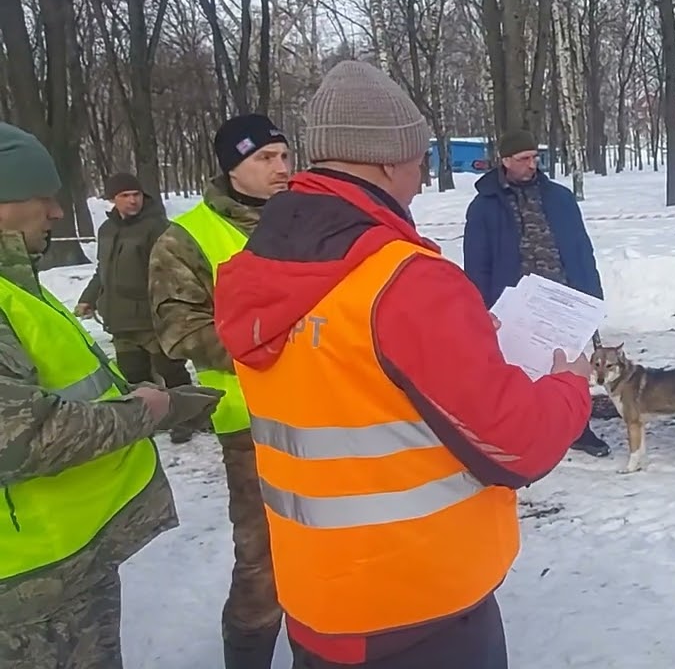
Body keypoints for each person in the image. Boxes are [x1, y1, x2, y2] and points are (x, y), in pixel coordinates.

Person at [212, 60, 594, 669]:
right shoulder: (405, 282)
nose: (421, 178)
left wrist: (459, 345)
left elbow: (350, 380)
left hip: (318, 599)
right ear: (390, 160)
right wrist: (570, 384)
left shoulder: (260, 264)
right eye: (419, 159)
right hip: (421, 608)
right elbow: (518, 445)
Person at [0, 122, 221, 667]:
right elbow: (21, 435)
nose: (55, 213)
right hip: (25, 584)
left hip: (60, 569)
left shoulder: (15, 285)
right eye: (42, 199)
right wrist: (145, 412)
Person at [148, 114, 291, 668]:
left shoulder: (311, 217)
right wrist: (285, 349)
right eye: (265, 159)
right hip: (251, 425)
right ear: (232, 168)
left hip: (335, 414)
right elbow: (181, 332)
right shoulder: (186, 238)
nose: (281, 168)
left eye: (283, 155)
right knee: (262, 562)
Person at [462, 129, 610, 458]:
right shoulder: (484, 206)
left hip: (563, 294)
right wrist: (481, 307)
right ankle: (524, 432)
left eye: (534, 157)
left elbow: (580, 248)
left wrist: (592, 294)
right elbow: (476, 261)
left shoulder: (559, 198)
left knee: (569, 363)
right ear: (504, 161)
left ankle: (578, 429)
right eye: (523, 159)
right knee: (520, 365)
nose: (532, 164)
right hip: (513, 299)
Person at [75, 173, 197, 441]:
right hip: (120, 319)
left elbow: (171, 272)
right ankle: (147, 419)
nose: (132, 200)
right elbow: (102, 270)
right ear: (112, 199)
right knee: (133, 374)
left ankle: (189, 418)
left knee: (171, 370)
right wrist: (89, 298)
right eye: (125, 196)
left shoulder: (158, 227)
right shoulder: (107, 230)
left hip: (152, 318)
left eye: (136, 194)